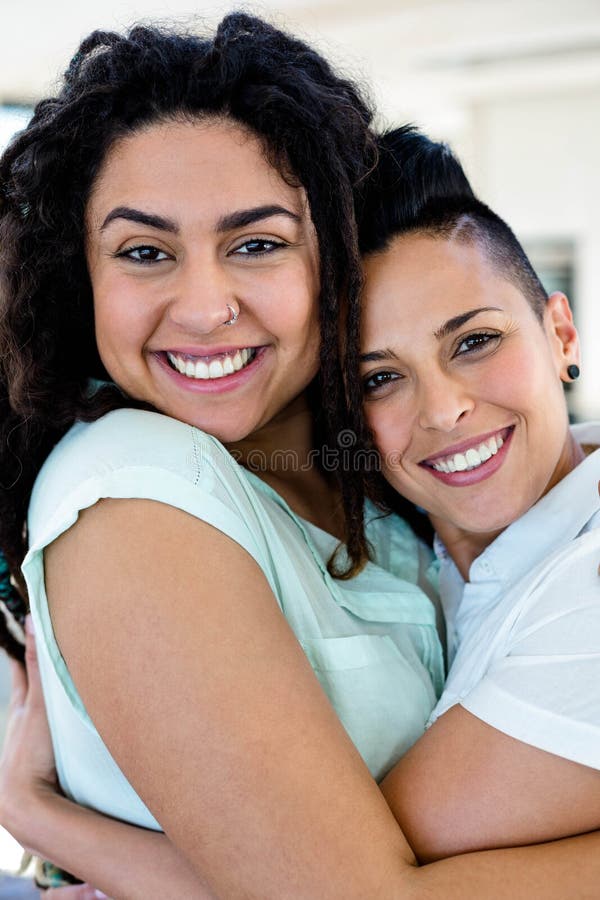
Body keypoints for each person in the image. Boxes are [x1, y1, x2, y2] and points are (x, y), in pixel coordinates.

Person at [0, 17, 599, 895]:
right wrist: (45, 824)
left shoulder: (374, 489)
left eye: (256, 244)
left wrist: (59, 823)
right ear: (80, 278)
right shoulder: (136, 485)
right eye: (143, 252)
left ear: (332, 267)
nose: (205, 308)